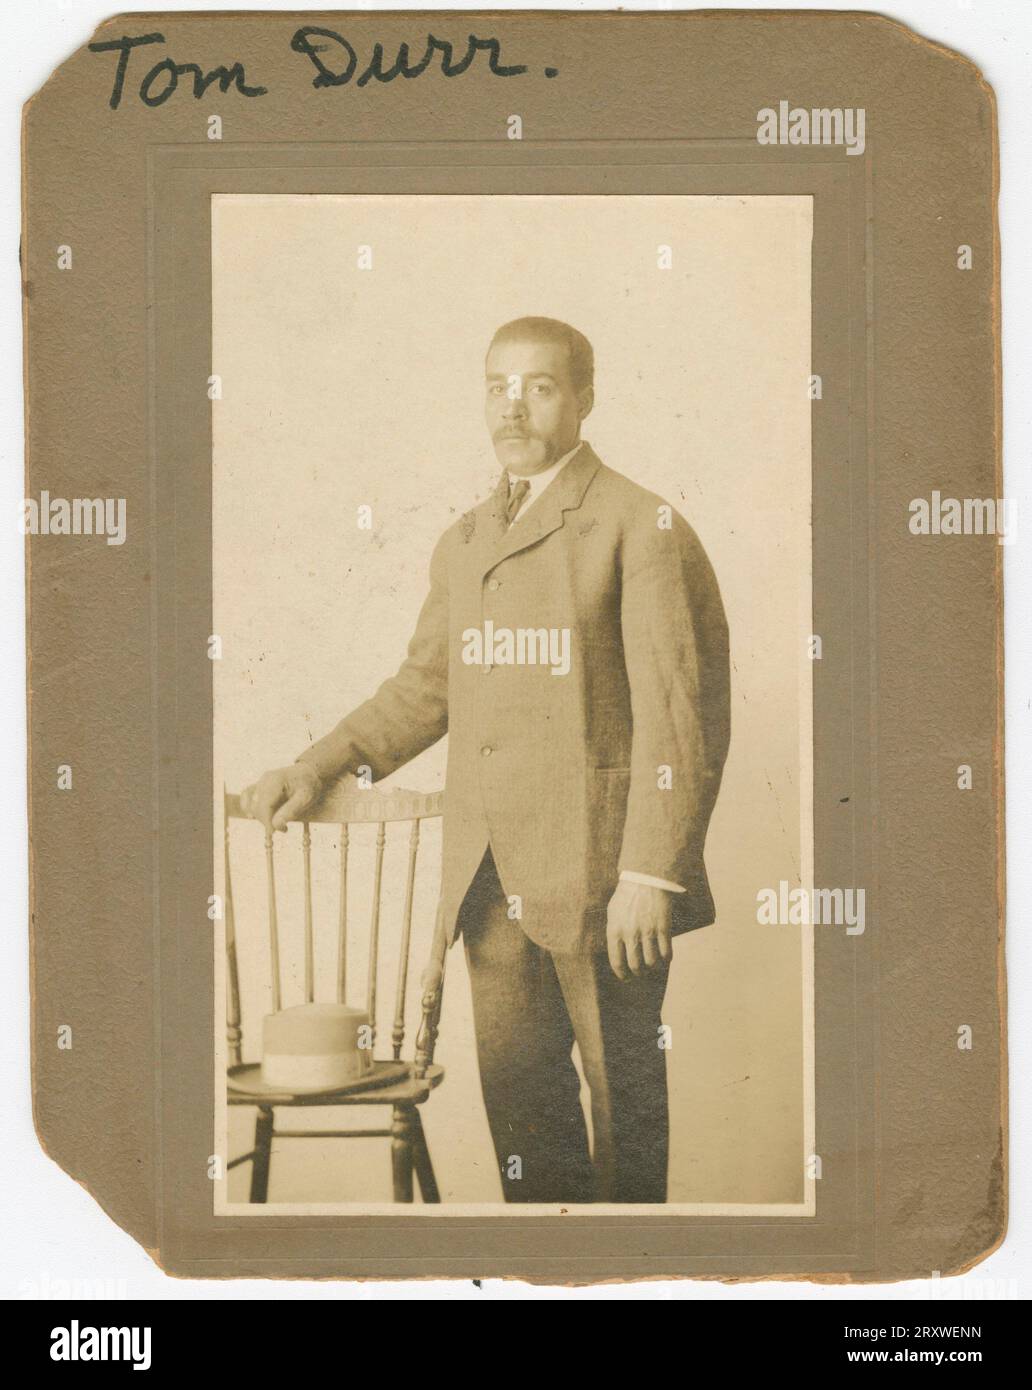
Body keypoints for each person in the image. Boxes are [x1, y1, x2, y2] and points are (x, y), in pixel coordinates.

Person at [242, 316, 731, 1203]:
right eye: (496, 386)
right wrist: (315, 767)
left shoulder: (639, 524)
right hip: (488, 880)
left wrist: (651, 876)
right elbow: (424, 691)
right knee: (524, 1117)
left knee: (626, 1111)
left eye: (539, 386)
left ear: (584, 398)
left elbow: (679, 715)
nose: (513, 406)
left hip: (603, 881)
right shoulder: (465, 541)